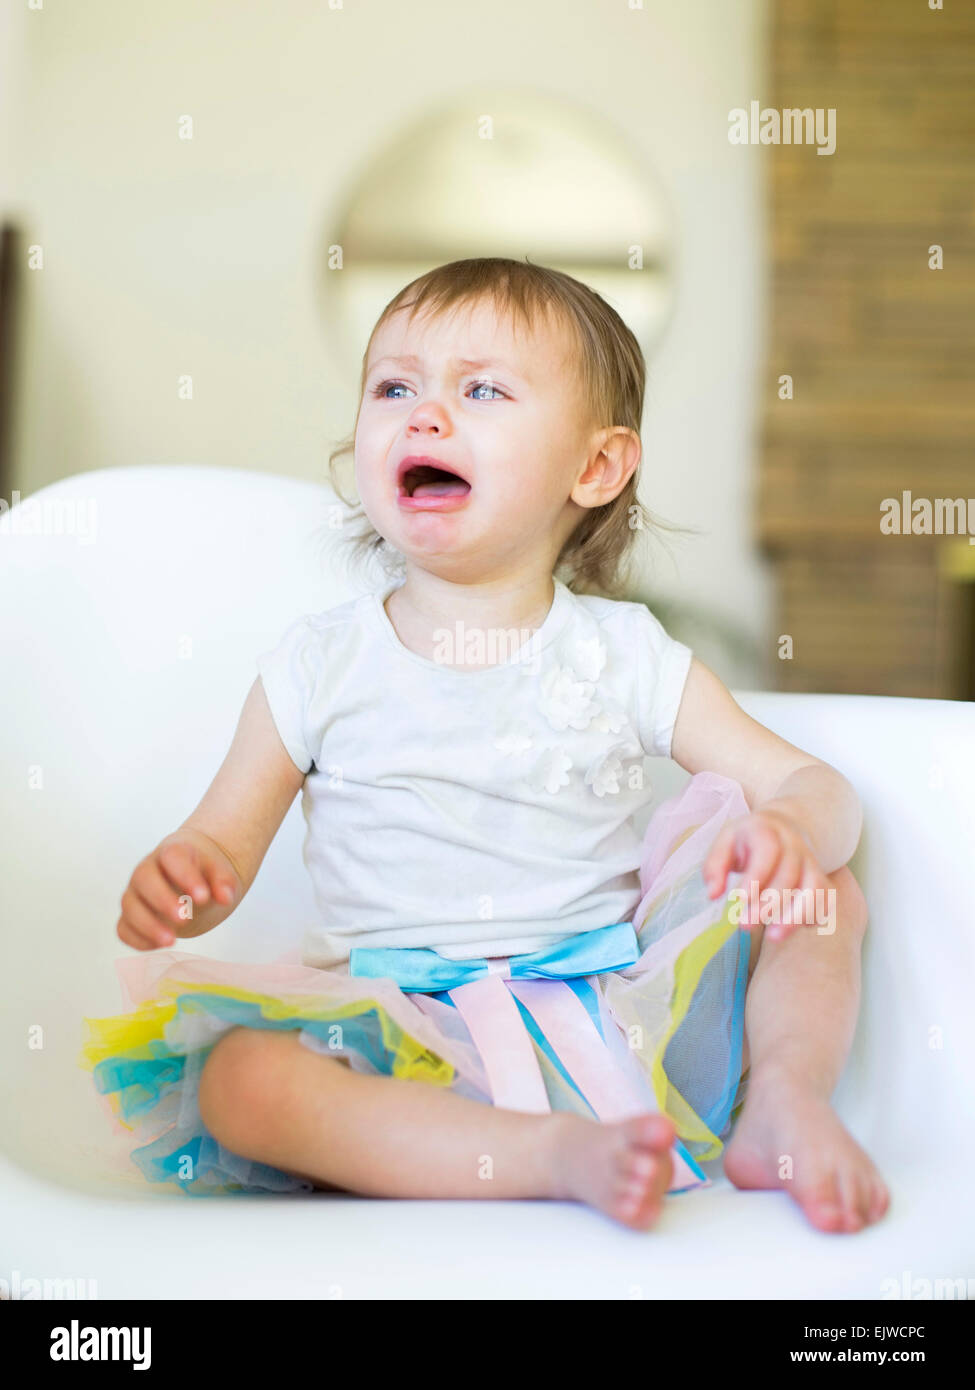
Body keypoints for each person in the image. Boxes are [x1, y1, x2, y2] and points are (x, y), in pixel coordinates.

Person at [80, 257, 889, 1234]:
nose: (423, 415)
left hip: (619, 1012)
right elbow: (222, 843)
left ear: (594, 467)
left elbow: (817, 788)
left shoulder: (622, 654)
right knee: (238, 1080)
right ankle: (544, 1157)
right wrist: (188, 870)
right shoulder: (315, 666)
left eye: (481, 389)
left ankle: (785, 1104)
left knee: (821, 888)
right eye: (395, 386)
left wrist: (794, 824)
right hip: (399, 1032)